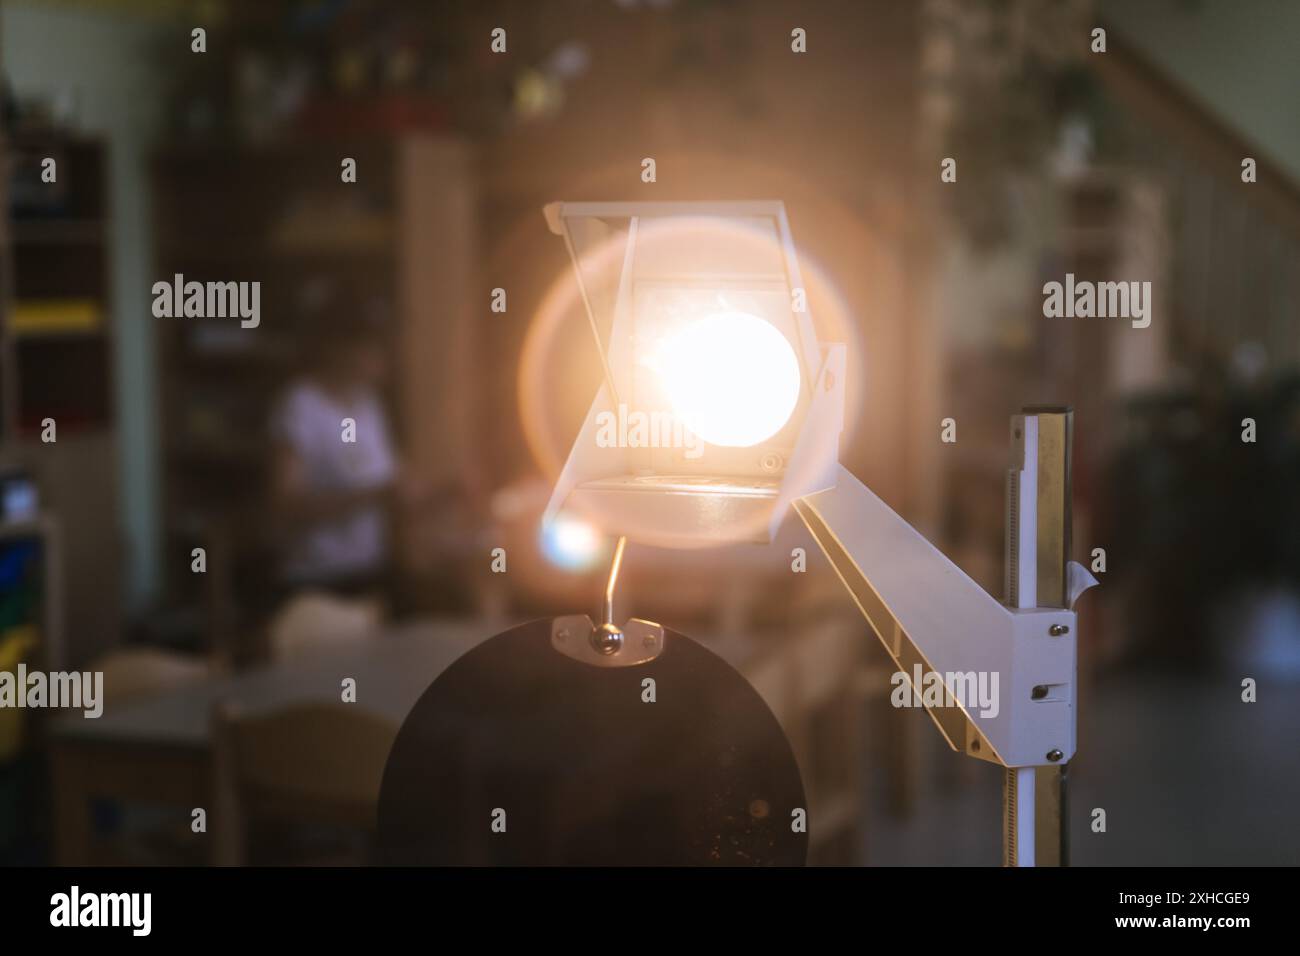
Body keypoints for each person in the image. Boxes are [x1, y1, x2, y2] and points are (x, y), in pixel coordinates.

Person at [268, 291, 422, 603]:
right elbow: (286, 503)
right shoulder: (300, 405)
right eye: (374, 346)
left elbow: (397, 486)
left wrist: (448, 493)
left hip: (369, 575)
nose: (385, 358)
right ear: (340, 347)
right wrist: (372, 496)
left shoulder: (370, 405)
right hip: (315, 581)